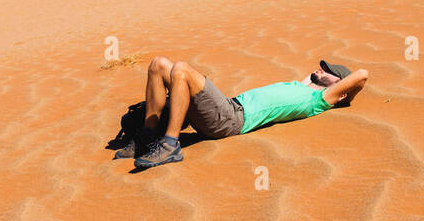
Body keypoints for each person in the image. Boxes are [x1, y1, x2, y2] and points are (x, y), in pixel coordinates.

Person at [118, 57, 369, 168]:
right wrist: (320, 76)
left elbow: (361, 76)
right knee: (159, 64)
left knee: (181, 69)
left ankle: (169, 145)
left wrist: (344, 91)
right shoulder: (301, 85)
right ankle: (147, 138)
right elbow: (314, 76)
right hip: (228, 106)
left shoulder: (319, 100)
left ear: (340, 89)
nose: (320, 70)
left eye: (328, 71)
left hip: (233, 119)